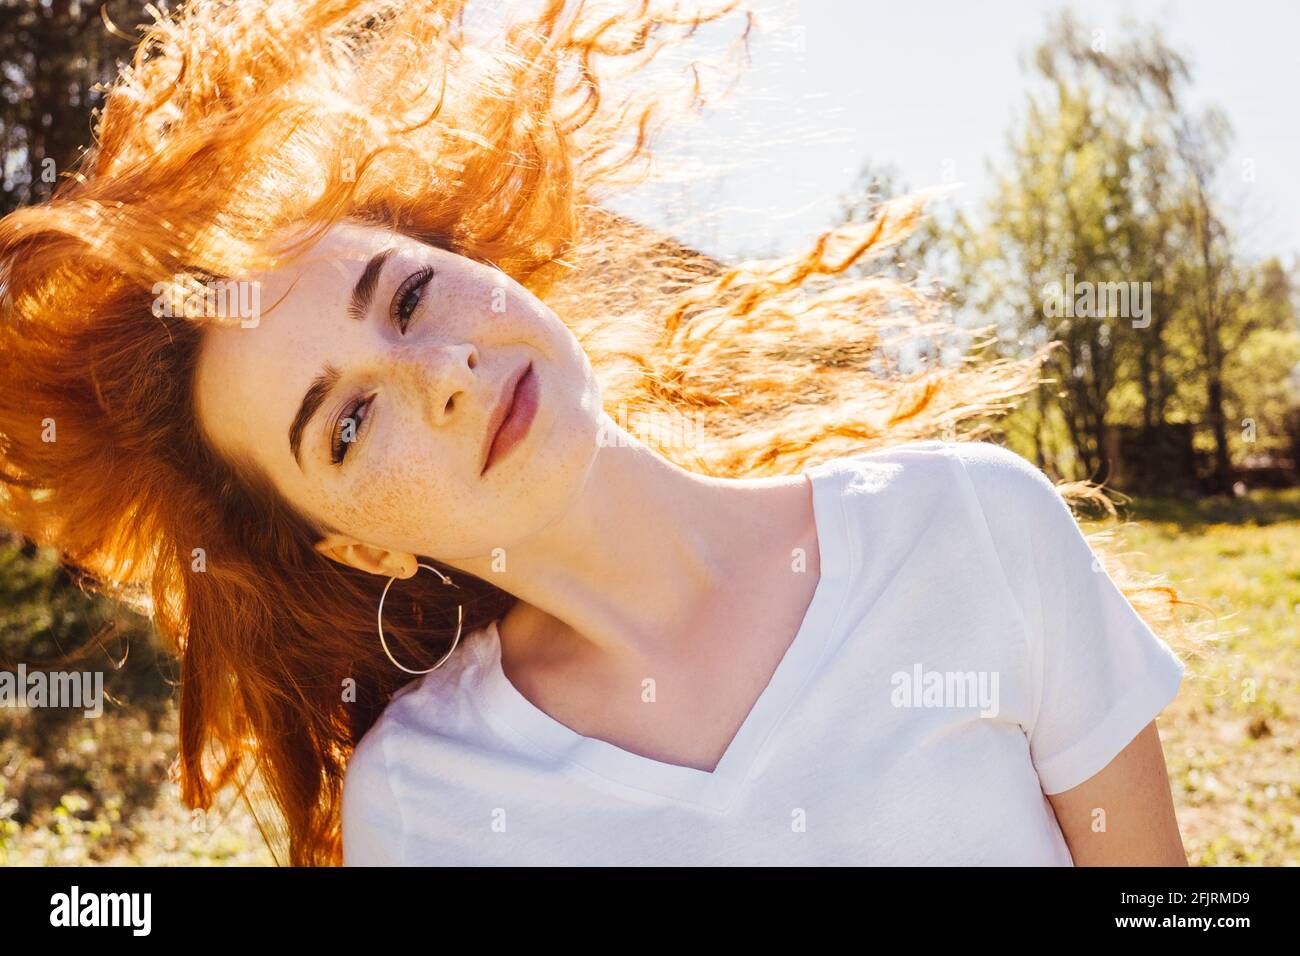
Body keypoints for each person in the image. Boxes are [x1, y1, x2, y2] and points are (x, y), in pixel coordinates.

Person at [0, 0, 1189, 866]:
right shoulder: (422, 801)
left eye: (408, 296)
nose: (445, 376)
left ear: (475, 262)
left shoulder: (969, 523)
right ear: (353, 544)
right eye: (350, 421)